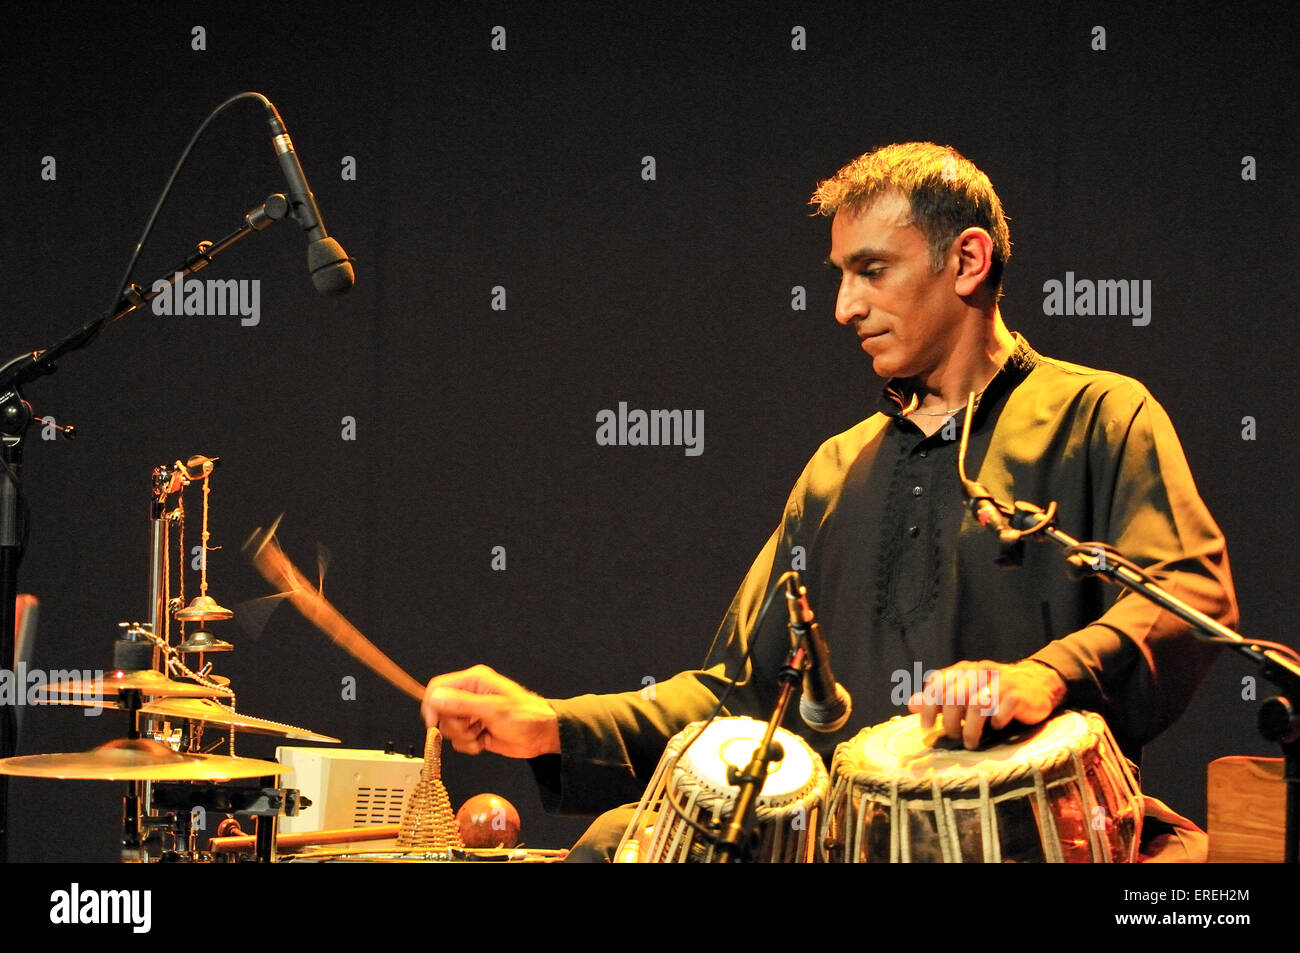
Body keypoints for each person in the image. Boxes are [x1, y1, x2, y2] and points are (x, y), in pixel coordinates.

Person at [421, 143, 1238, 860]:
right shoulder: (835, 469)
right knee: (612, 847)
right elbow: (740, 693)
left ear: (967, 261)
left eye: (872, 270)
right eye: (841, 276)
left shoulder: (1099, 415)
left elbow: (1193, 595)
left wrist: (1045, 677)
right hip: (843, 844)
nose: (845, 305)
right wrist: (555, 724)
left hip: (1038, 840)